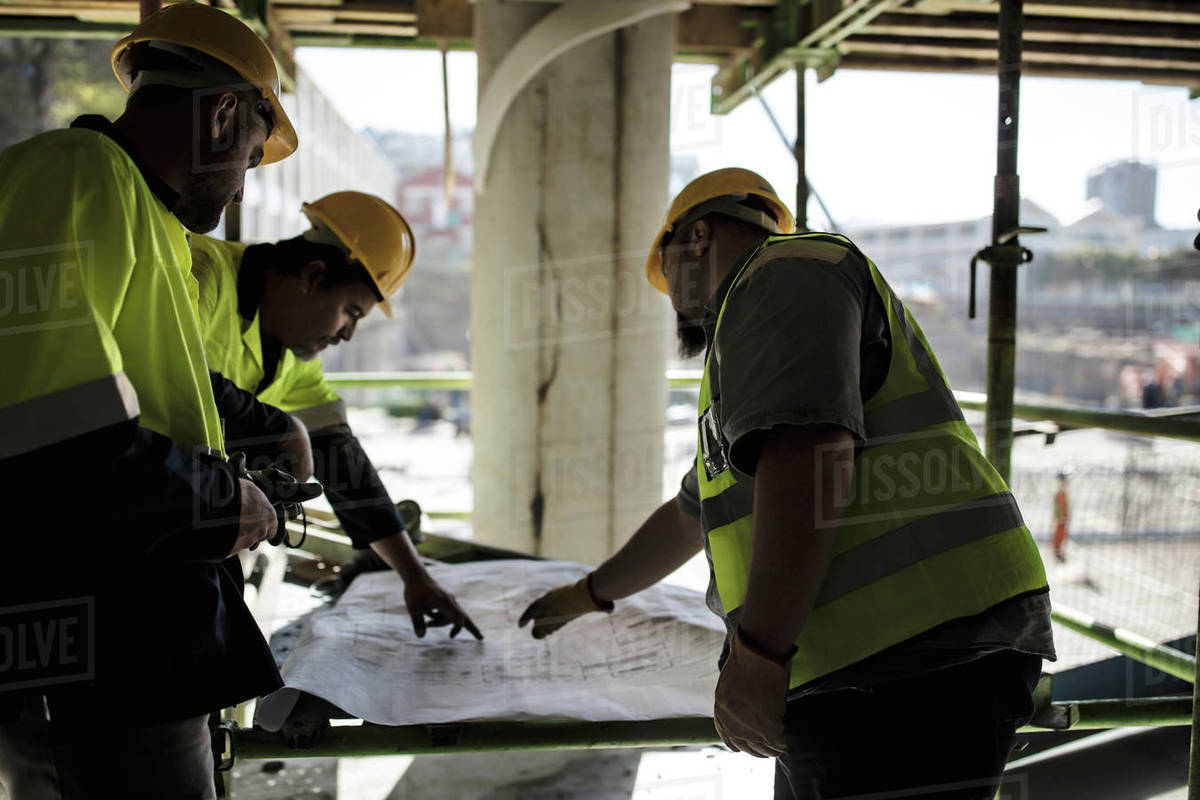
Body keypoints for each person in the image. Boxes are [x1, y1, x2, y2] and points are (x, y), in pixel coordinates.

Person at [519, 168, 1055, 800]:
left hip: (916, 659)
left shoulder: (785, 272)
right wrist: (592, 592)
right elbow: (693, 513)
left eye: (668, 278)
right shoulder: (755, 338)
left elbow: (809, 455)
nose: (672, 301)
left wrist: (757, 656)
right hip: (865, 665)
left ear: (694, 236)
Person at [0, 5, 300, 798]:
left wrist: (260, 429)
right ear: (224, 114)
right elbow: (59, 443)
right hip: (98, 653)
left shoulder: (137, 211)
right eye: (251, 155)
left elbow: (145, 383)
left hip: (133, 634)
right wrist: (224, 500)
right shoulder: (76, 175)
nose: (243, 180)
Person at [190, 191, 481, 640]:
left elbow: (343, 463)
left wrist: (415, 578)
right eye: (351, 312)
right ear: (313, 274)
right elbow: (174, 378)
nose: (347, 335)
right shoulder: (202, 274)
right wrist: (283, 428)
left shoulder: (293, 359)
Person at [1053, 469, 1071, 563]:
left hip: (1062, 517)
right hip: (1061, 518)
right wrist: (1060, 517)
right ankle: (1058, 553)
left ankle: (1059, 552)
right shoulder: (1059, 491)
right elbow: (1058, 504)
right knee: (1059, 535)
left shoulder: (1061, 490)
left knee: (1062, 535)